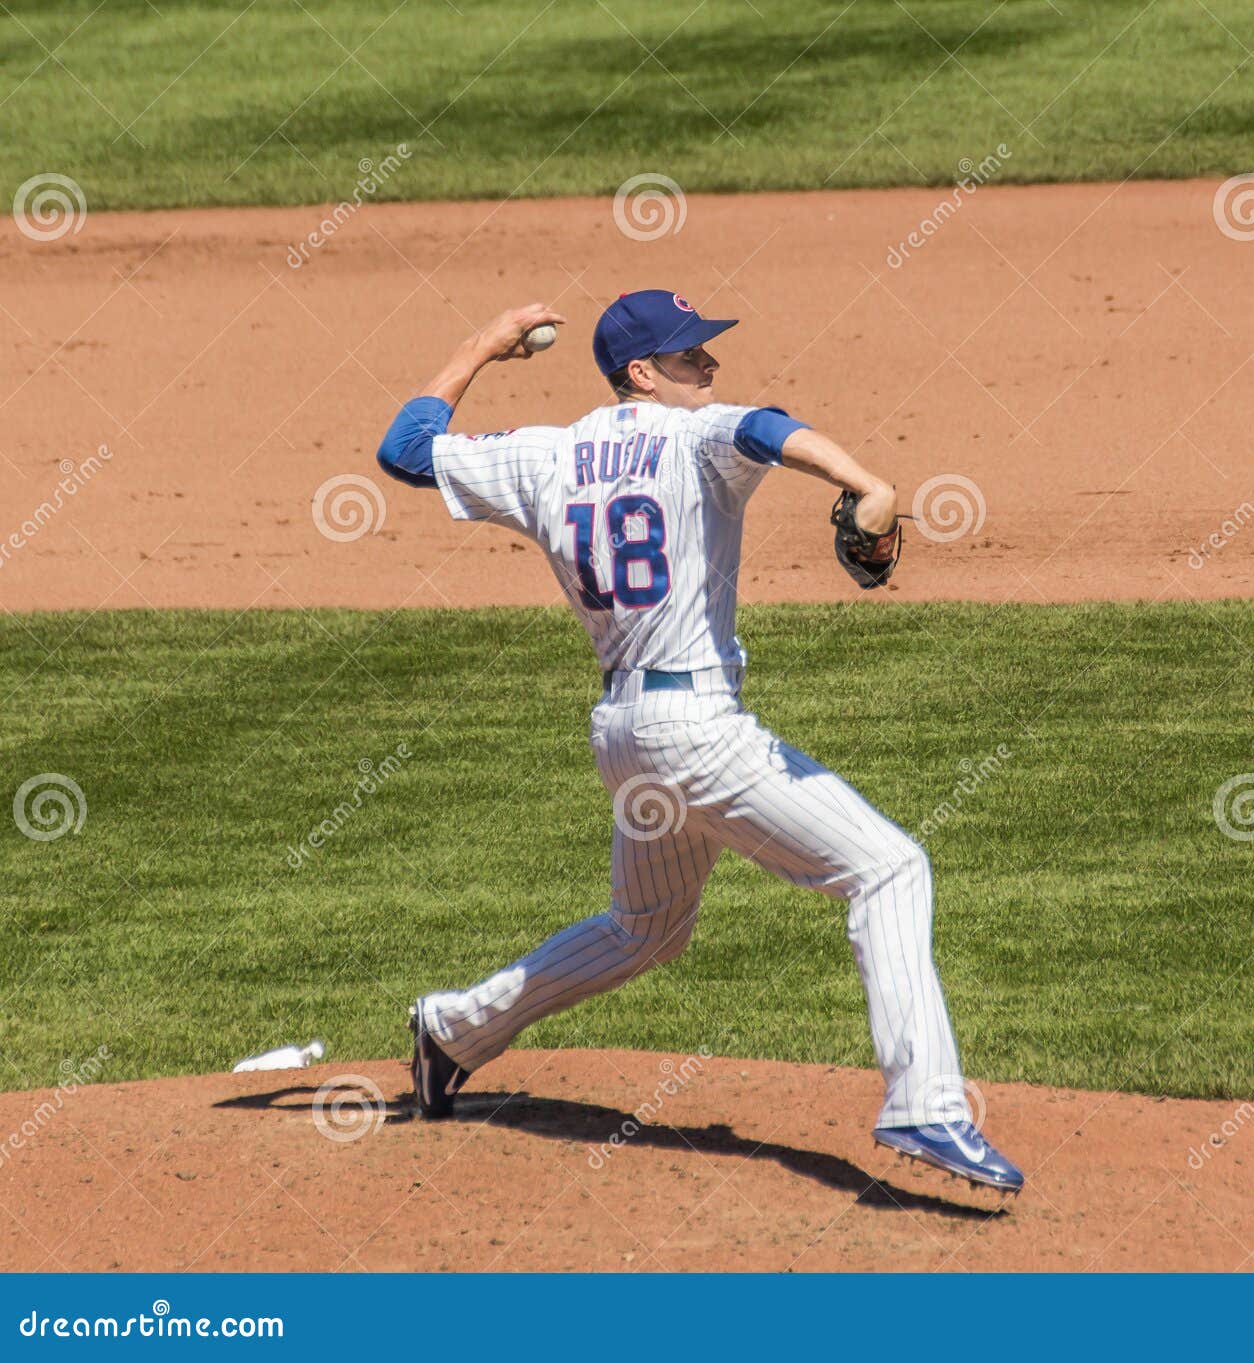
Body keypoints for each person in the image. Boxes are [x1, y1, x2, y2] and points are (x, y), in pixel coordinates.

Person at [373, 290, 1022, 1192]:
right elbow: (767, 428)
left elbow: (404, 451)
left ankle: (452, 1030)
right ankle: (926, 1105)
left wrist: (485, 344)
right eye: (690, 356)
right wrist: (866, 484)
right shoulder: (696, 434)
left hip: (625, 737)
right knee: (887, 867)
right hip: (696, 731)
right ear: (643, 373)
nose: (708, 366)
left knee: (645, 929)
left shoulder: (542, 454)